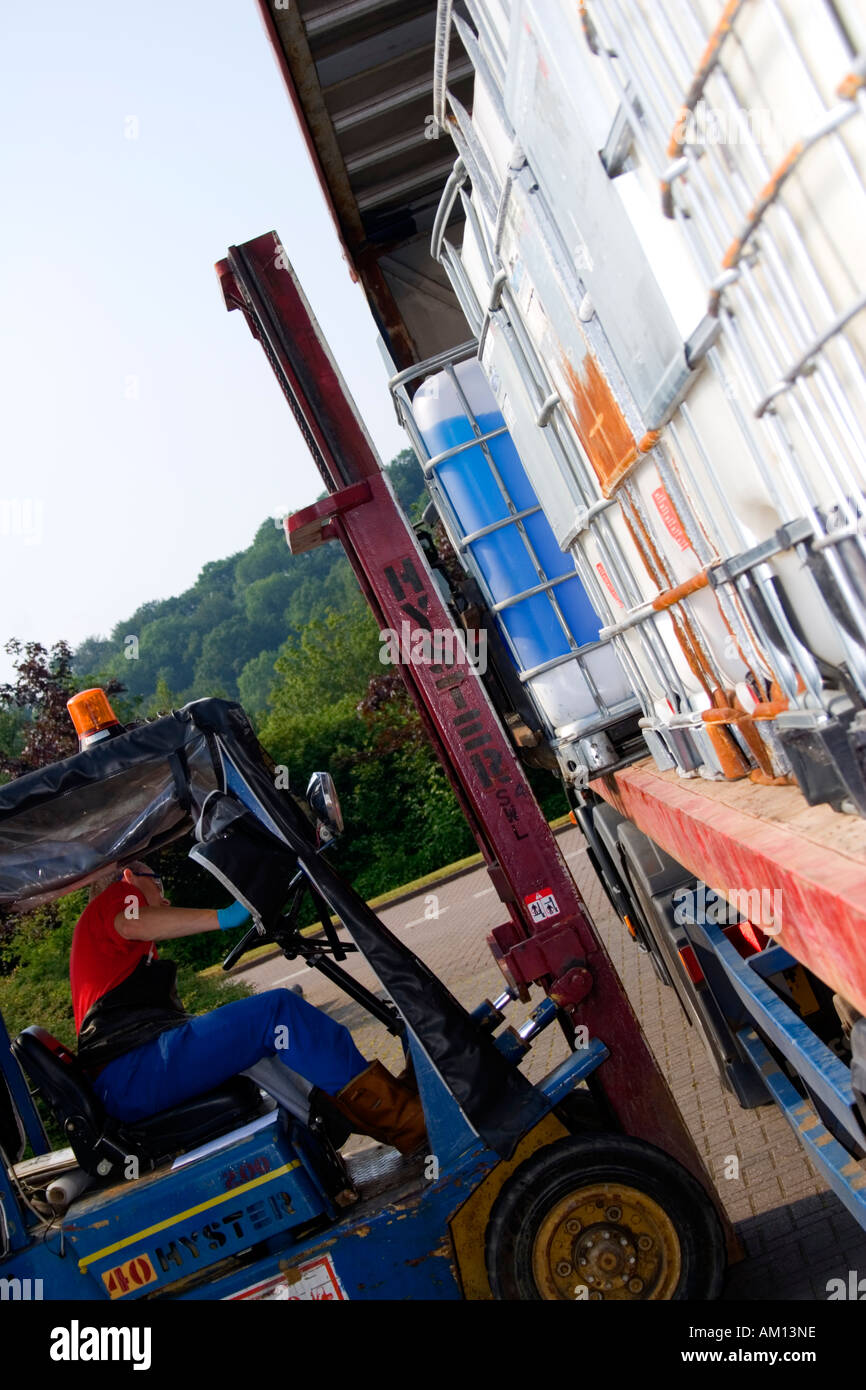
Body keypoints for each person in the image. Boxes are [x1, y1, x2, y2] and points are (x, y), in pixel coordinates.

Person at [69, 860, 425, 1154]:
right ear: (130, 877)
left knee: (271, 1029)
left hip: (136, 1072)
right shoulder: (117, 898)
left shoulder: (114, 949)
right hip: (132, 1073)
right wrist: (229, 915)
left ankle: (375, 1110)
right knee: (278, 1012)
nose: (164, 899)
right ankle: (400, 1122)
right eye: (159, 885)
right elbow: (133, 919)